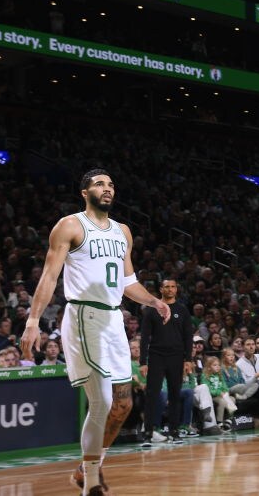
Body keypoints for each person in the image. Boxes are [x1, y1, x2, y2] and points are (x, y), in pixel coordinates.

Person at [20, 169, 171, 496]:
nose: (107, 189)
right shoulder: (70, 225)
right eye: (100, 184)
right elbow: (49, 276)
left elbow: (128, 283)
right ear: (84, 192)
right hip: (84, 315)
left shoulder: (123, 231)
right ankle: (91, 484)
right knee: (101, 401)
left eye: (111, 184)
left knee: (122, 405)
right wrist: (33, 321)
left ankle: (87, 467)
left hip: (114, 319)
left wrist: (153, 301)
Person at [139, 278, 193, 446]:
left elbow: (188, 336)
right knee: (152, 395)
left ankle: (174, 432)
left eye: (173, 287)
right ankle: (148, 433)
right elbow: (144, 338)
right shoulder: (152, 311)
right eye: (167, 287)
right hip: (156, 356)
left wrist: (188, 359)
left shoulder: (182, 310)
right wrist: (143, 361)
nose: (170, 289)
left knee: (175, 394)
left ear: (176, 289)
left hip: (176, 357)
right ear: (161, 289)